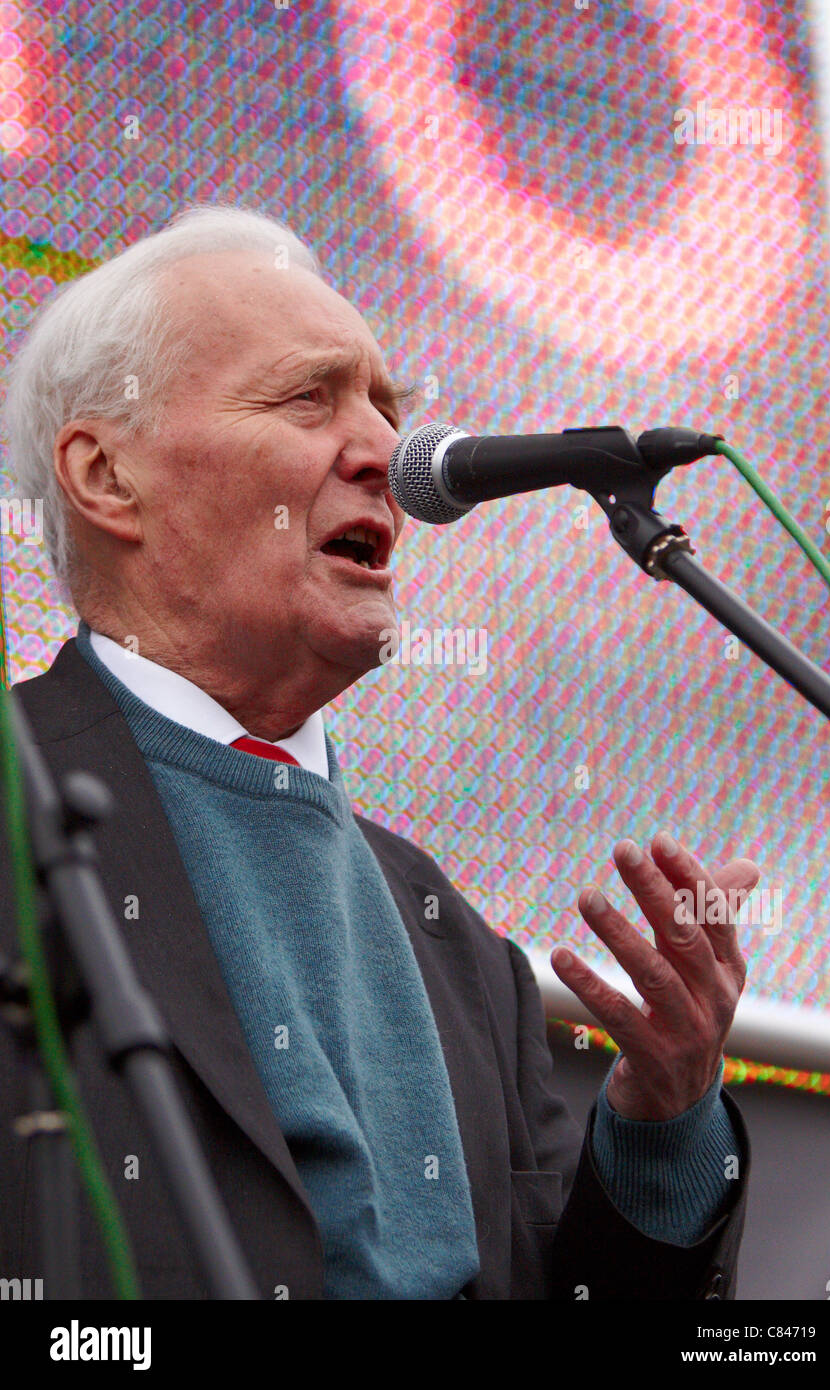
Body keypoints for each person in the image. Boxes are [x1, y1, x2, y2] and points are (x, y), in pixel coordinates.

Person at [0, 205, 759, 1299]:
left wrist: (666, 1116)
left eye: (386, 407)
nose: (387, 455)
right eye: (308, 396)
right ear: (108, 476)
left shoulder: (452, 941)